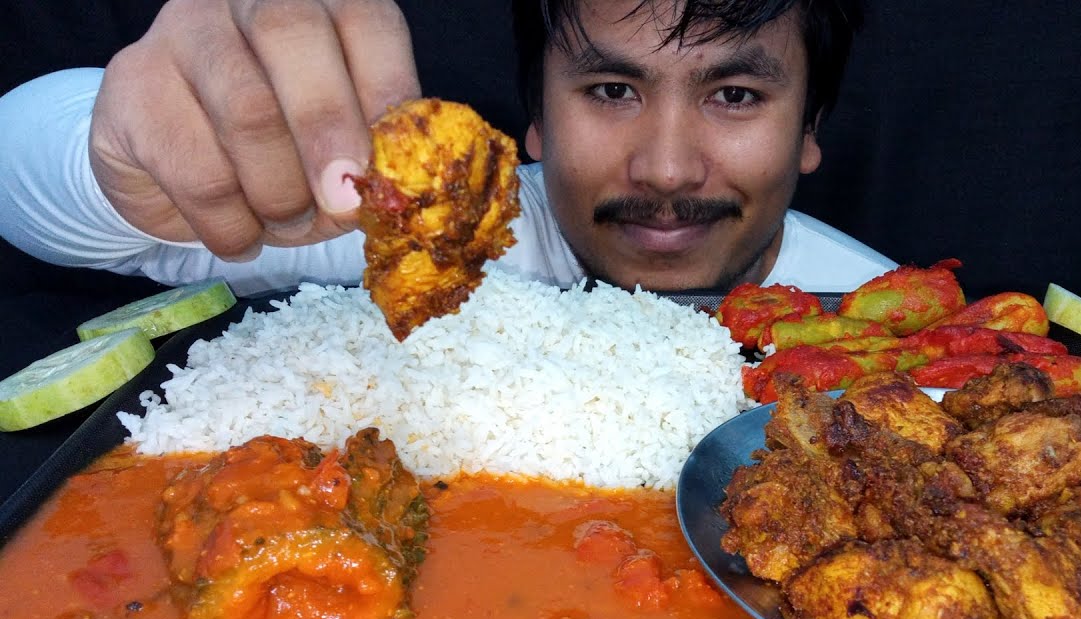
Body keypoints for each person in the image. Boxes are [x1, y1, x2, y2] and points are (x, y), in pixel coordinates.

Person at [0, 0, 894, 297]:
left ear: (810, 126)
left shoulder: (907, 335)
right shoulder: (421, 230)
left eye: (734, 96)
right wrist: (117, 143)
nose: (665, 168)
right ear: (536, 119)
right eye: (612, 91)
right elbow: (52, 197)